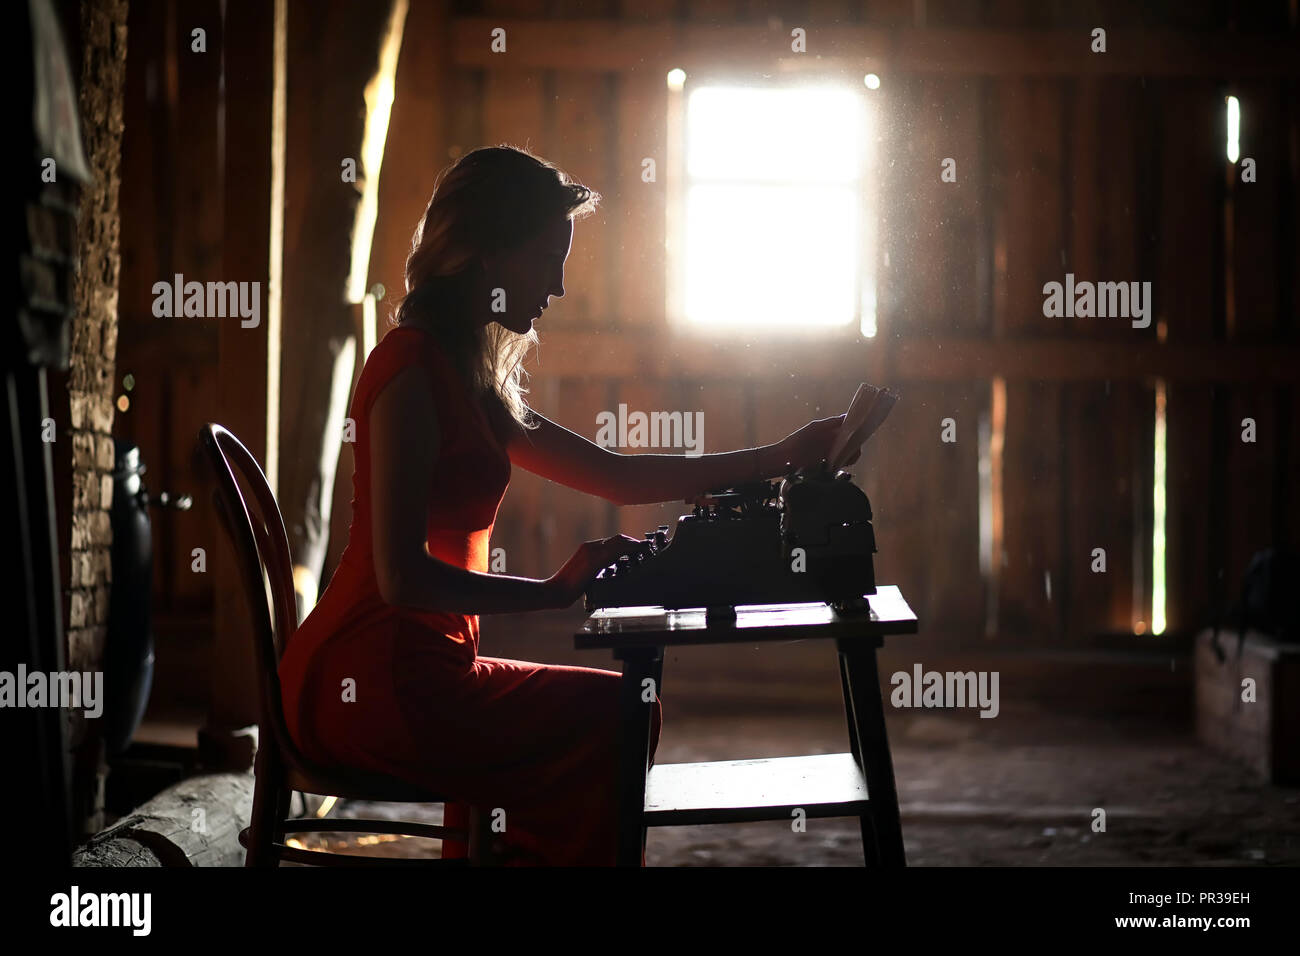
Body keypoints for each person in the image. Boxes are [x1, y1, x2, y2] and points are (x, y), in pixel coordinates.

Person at [276, 145, 853, 866]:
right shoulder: (410, 371)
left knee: (618, 712)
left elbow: (614, 475)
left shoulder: (464, 373)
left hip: (419, 673)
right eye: (548, 259)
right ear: (488, 254)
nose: (558, 285)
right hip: (370, 682)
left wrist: (777, 457)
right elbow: (401, 578)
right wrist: (550, 591)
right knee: (622, 713)